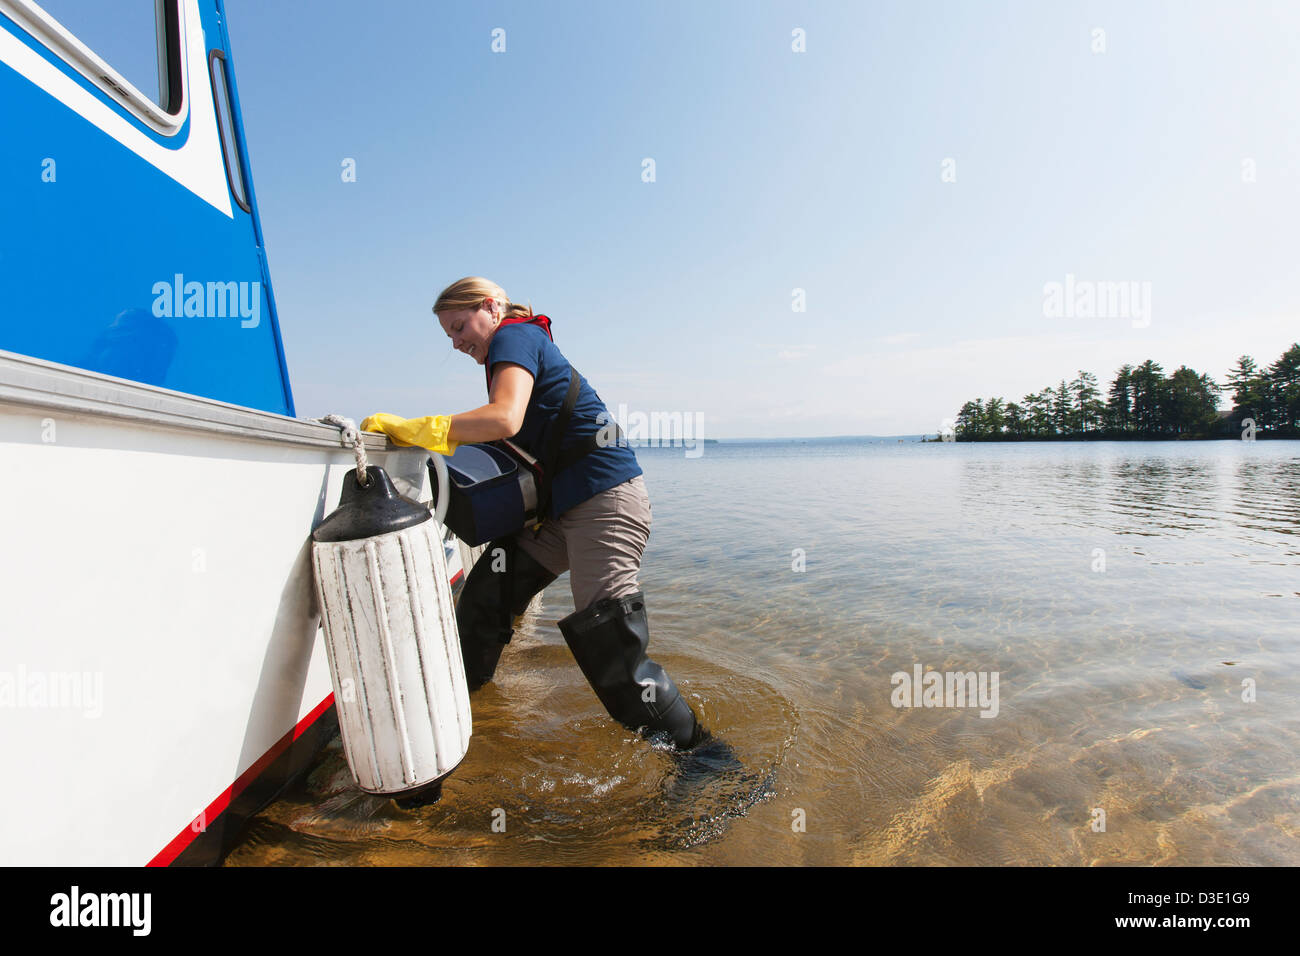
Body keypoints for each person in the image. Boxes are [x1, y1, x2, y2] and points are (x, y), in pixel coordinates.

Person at [363, 276, 708, 752]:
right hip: (561, 514)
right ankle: (466, 720)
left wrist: (420, 428)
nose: (458, 341)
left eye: (460, 326)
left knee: (610, 646)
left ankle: (707, 763)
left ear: (491, 307)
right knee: (487, 595)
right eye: (449, 335)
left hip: (606, 502)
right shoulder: (509, 347)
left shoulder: (516, 335)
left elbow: (505, 418)